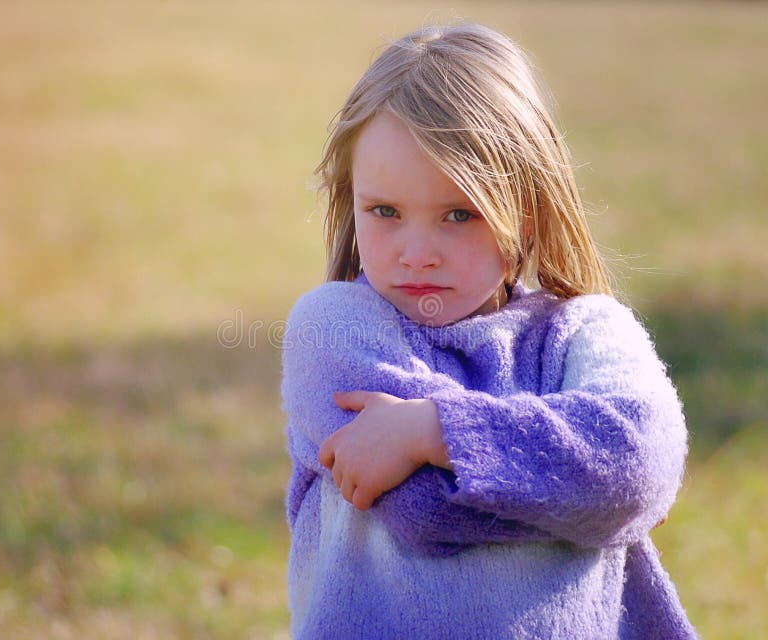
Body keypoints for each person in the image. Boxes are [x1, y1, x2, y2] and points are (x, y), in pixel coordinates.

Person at [281, 23, 697, 639]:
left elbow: (638, 462)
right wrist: (592, 500)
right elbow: (422, 510)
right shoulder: (332, 328)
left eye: (459, 213)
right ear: (351, 199)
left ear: (526, 208)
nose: (417, 253)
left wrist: (433, 430)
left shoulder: (586, 329)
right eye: (385, 212)